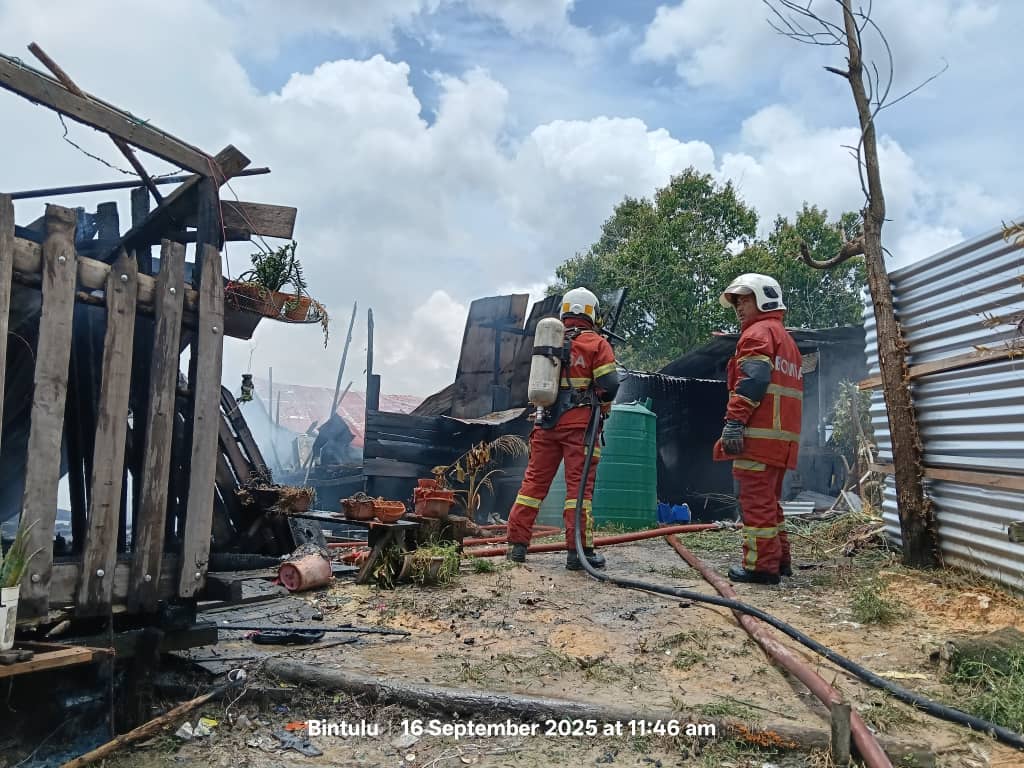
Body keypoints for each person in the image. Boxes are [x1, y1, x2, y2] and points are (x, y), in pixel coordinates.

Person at [506, 287, 619, 570]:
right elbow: (610, 386)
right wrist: (601, 401)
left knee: (532, 486)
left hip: (545, 423)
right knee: (578, 491)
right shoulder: (597, 344)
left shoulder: (550, 342)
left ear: (565, 312)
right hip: (579, 428)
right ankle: (578, 552)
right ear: (591, 313)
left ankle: (517, 546)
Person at [714, 273, 803, 585]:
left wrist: (735, 422)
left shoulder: (757, 334)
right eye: (736, 302)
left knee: (753, 499)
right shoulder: (786, 340)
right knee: (769, 501)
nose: (739, 307)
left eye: (745, 299)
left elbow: (753, 380)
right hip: (782, 439)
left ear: (764, 298)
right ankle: (780, 561)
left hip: (759, 435)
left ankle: (761, 567)